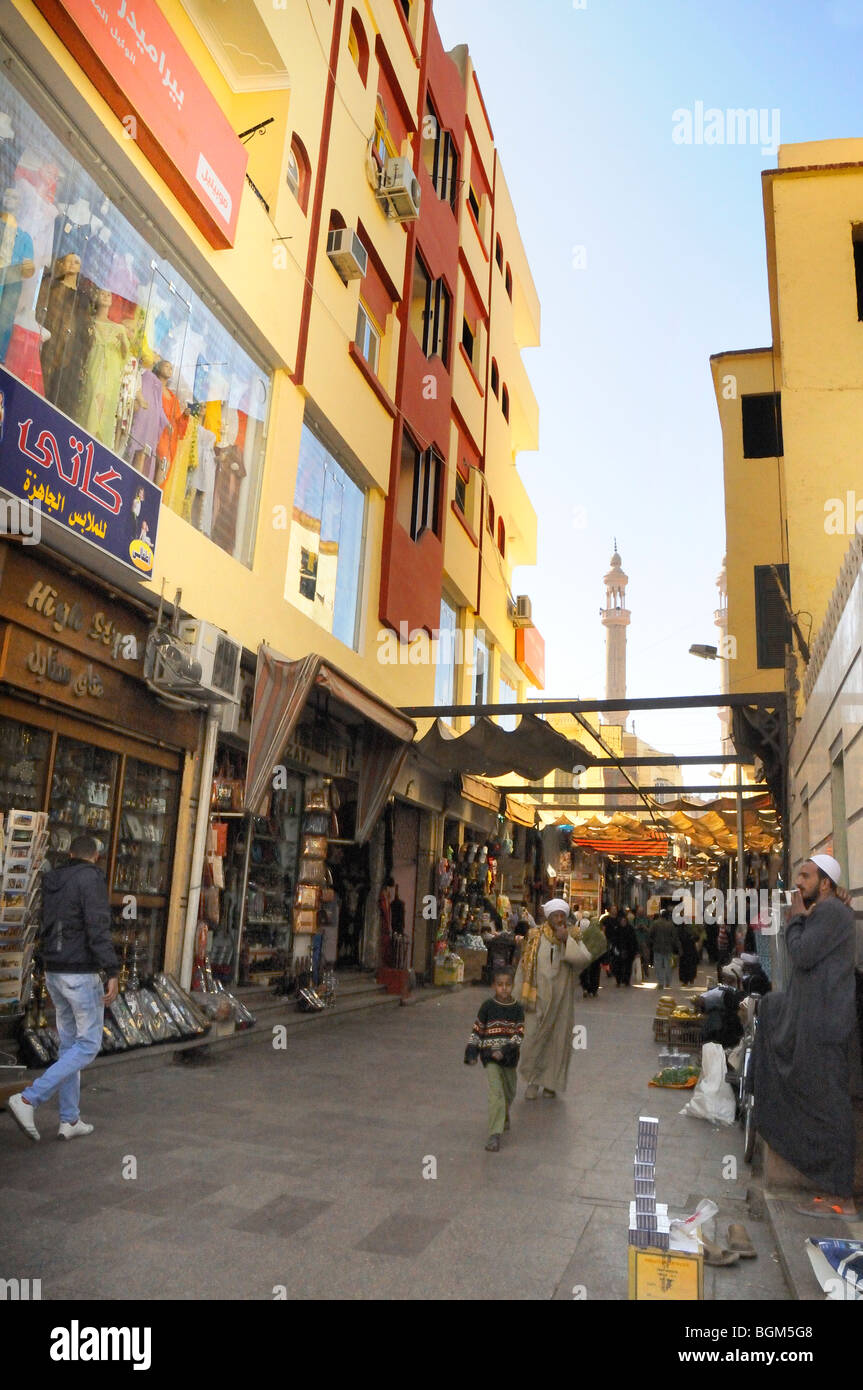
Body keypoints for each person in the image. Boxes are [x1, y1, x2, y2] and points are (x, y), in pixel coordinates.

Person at [753, 855, 859, 1219]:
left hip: (824, 1025)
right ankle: (833, 1188)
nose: (799, 882)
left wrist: (796, 918)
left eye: (806, 876)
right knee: (825, 1106)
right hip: (821, 1022)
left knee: (832, 1110)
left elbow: (801, 953)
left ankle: (842, 1197)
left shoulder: (829, 913)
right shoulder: (830, 913)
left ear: (825, 883)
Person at [7, 835, 118, 1143]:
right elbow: (97, 926)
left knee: (70, 1047)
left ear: (70, 853)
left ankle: (69, 1119)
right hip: (80, 973)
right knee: (87, 1046)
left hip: (55, 972)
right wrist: (111, 969)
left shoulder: (53, 879)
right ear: (95, 856)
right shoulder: (91, 879)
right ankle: (29, 1098)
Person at [514, 898, 588, 1099]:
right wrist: (518, 994)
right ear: (548, 917)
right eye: (555, 916)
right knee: (532, 1039)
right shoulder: (535, 936)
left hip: (561, 1001)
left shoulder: (573, 935)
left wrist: (567, 941)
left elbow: (583, 960)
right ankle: (533, 1081)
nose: (558, 919)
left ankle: (551, 1084)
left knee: (557, 1042)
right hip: (536, 998)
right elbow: (524, 965)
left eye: (561, 916)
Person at [464, 965, 525, 1152]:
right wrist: (472, 1053)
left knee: (509, 1091)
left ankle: (504, 1113)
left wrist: (505, 1050)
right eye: (500, 984)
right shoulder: (487, 1007)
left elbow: (519, 1034)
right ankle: (494, 1134)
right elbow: (477, 1030)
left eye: (507, 984)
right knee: (496, 1094)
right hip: (489, 1056)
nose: (504, 988)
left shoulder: (516, 1008)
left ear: (513, 985)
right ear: (494, 986)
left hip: (509, 1059)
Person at [650, 911, 680, 989]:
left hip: (657, 948)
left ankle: (660, 982)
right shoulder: (670, 925)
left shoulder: (655, 924)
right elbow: (674, 937)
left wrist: (653, 942)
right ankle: (667, 982)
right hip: (668, 948)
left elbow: (650, 934)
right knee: (668, 966)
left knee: (658, 966)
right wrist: (677, 947)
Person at [611, 908, 638, 987]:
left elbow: (634, 940)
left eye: (624, 921)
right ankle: (618, 980)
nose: (623, 923)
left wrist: (636, 951)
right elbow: (614, 940)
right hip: (619, 950)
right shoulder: (617, 929)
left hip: (629, 951)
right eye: (622, 921)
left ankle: (626, 980)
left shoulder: (630, 929)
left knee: (628, 967)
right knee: (618, 966)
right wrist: (614, 949)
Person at [678, 919, 701, 986]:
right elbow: (697, 937)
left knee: (684, 966)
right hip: (691, 950)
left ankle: (685, 980)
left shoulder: (681, 929)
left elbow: (679, 939)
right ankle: (691, 979)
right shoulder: (692, 929)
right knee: (691, 965)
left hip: (685, 950)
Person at [634, 908, 652, 980]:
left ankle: (645, 968)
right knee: (637, 958)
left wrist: (645, 928)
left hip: (645, 942)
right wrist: (637, 927)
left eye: (642, 912)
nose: (640, 913)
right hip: (636, 942)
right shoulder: (634, 920)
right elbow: (632, 928)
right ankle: (639, 971)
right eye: (639, 912)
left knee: (646, 957)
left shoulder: (647, 920)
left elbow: (651, 930)